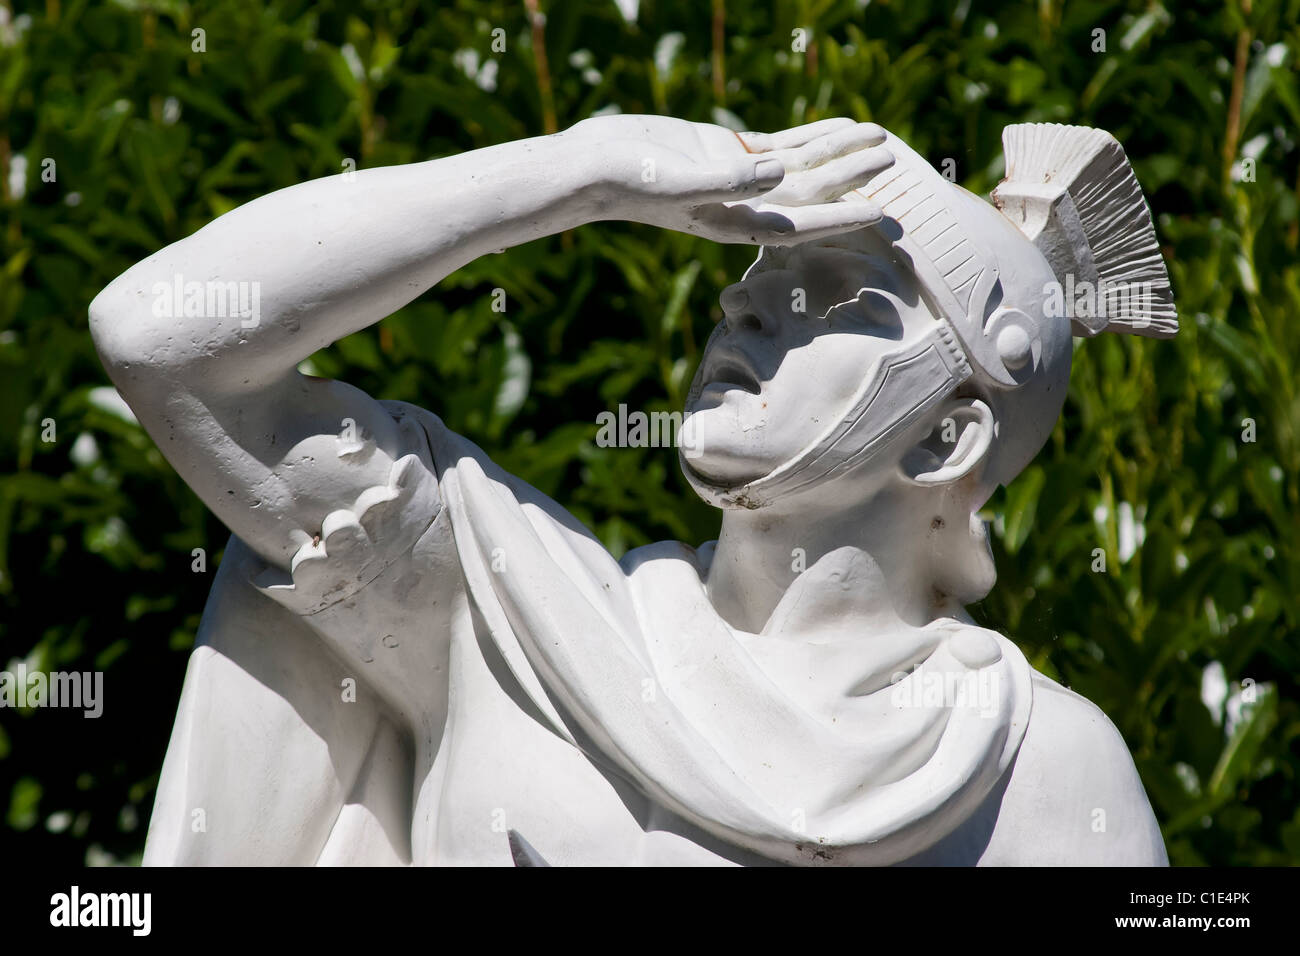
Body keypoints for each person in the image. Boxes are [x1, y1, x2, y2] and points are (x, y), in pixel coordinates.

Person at [89, 114, 1172, 865]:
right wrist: (582, 172)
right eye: (754, 274)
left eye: (832, 294)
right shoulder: (503, 609)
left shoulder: (1040, 766)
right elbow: (158, 338)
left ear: (947, 434)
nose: (745, 310)